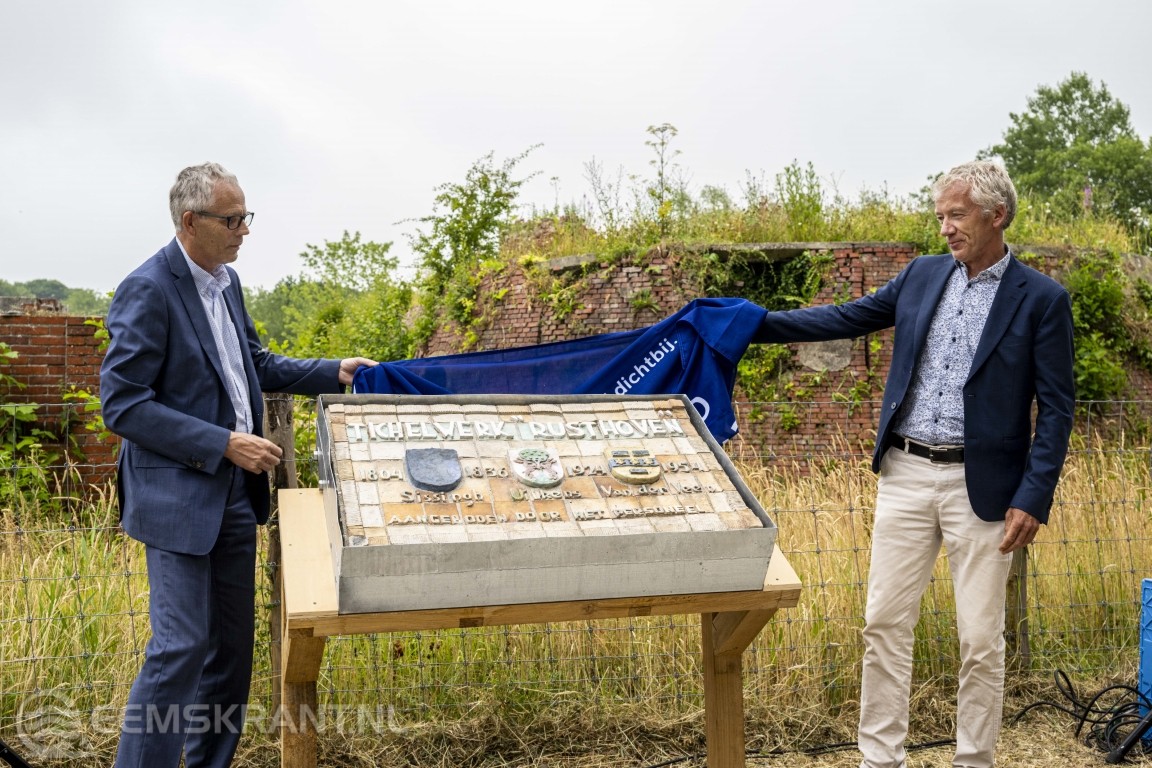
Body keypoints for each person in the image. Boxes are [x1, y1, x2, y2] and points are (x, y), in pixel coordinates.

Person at [754, 160, 1075, 768]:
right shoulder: (923, 276)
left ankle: (973, 760)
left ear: (995, 215)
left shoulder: (1041, 300)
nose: (946, 228)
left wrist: (1033, 496)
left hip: (982, 489)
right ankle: (881, 759)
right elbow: (844, 317)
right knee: (883, 624)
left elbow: (1057, 409)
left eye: (956, 215)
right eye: (940, 217)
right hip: (904, 475)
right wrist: (752, 324)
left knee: (980, 640)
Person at [100, 162, 377, 768]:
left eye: (246, 216)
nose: (244, 229)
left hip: (232, 496)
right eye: (232, 219)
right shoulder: (147, 289)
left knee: (229, 652)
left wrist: (335, 371)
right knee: (180, 647)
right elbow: (123, 406)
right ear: (190, 221)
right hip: (176, 499)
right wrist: (224, 441)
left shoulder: (226, 283)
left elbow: (254, 362)